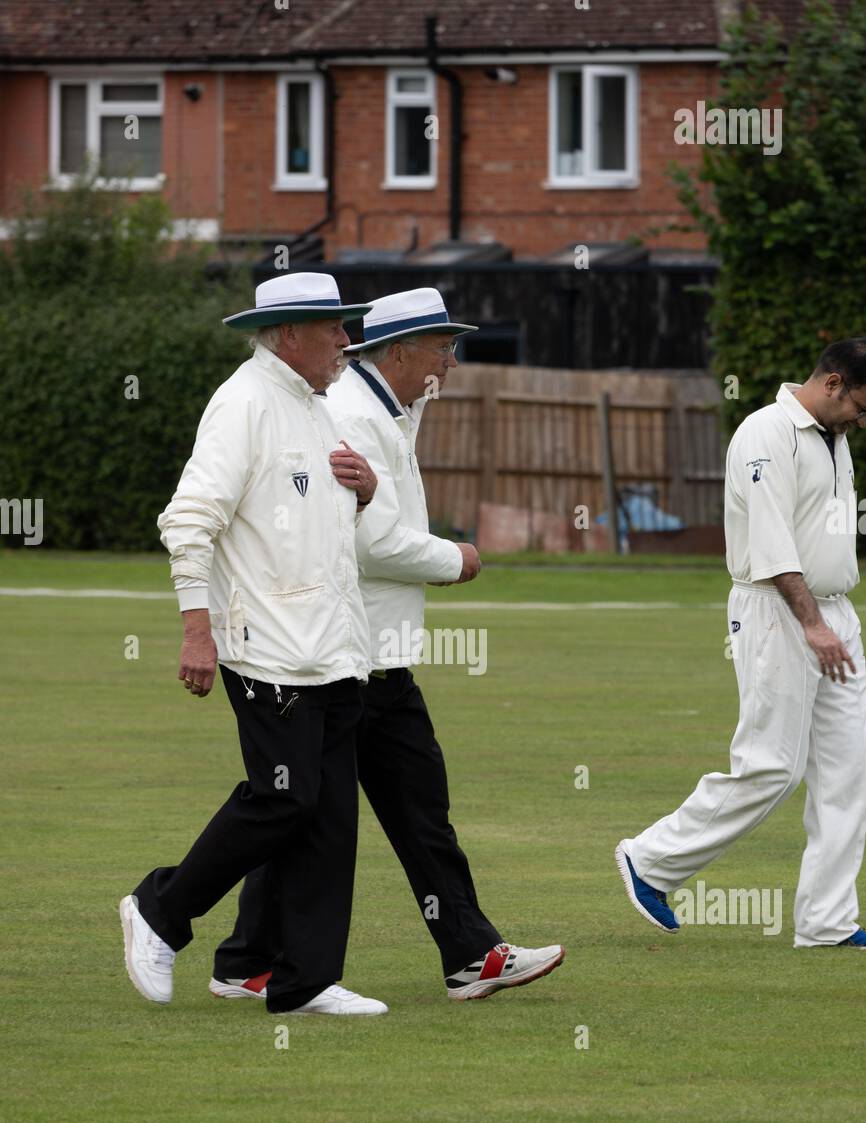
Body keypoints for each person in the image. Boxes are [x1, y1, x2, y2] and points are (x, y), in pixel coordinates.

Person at [210, 288, 565, 1002]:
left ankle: (245, 958)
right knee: (381, 806)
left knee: (323, 803)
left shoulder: (389, 408)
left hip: (370, 652)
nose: (454, 363)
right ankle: (470, 956)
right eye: (443, 348)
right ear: (399, 352)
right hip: (353, 655)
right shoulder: (354, 416)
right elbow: (364, 540)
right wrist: (454, 559)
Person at [120, 271, 394, 1016]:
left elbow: (332, 529)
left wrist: (366, 491)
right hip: (266, 648)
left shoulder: (319, 406)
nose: (346, 339)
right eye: (334, 327)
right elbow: (187, 520)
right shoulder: (243, 404)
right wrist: (195, 629)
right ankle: (159, 909)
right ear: (291, 334)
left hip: (335, 651)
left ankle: (305, 980)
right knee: (282, 800)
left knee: (329, 816)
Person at [616, 339, 866, 949]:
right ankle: (650, 859)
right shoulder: (765, 432)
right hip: (778, 611)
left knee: (849, 771)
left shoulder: (836, 437)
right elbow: (772, 539)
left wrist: (832, 619)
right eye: (862, 402)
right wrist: (811, 624)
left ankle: (827, 921)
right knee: (772, 767)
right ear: (832, 383)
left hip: (836, 613)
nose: (865, 417)